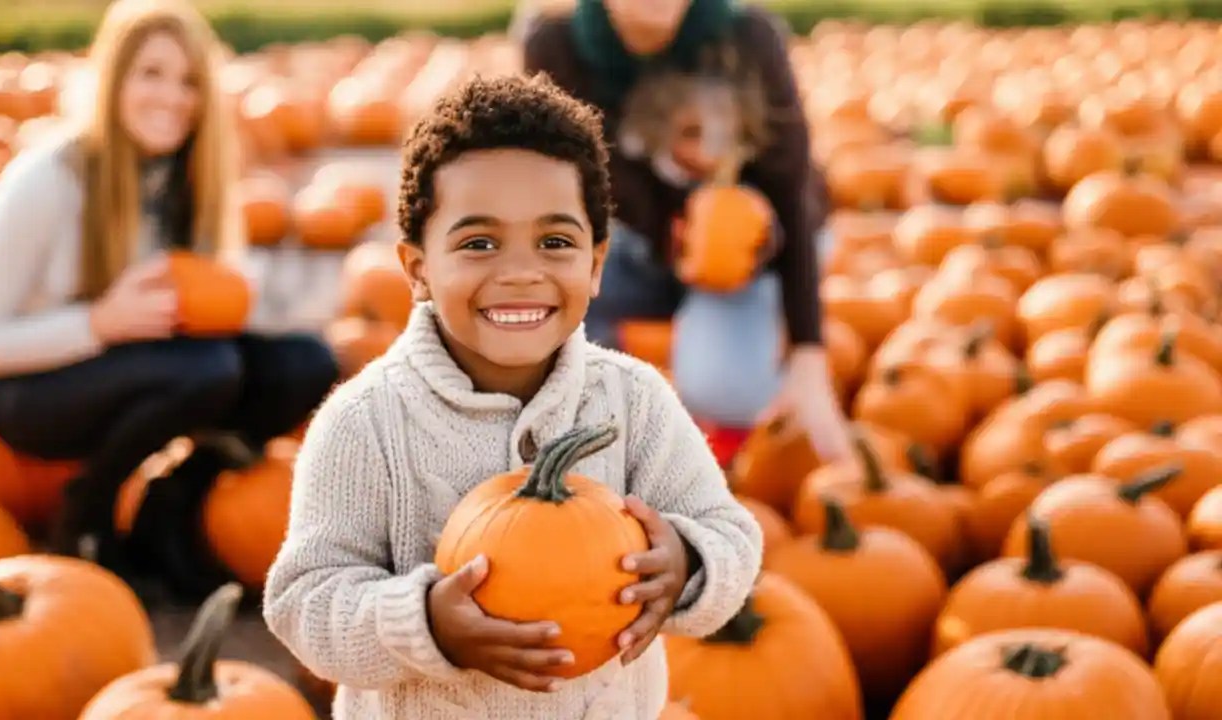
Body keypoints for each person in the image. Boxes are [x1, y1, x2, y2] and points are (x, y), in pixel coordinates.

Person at [263, 74, 761, 719]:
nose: (521, 272)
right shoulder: (365, 423)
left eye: (555, 242)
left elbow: (731, 533)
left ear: (596, 262)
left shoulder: (634, 401)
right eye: (479, 243)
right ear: (417, 268)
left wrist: (688, 562)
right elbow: (305, 600)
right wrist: (423, 623)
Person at [0, 0, 340, 601]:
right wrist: (100, 322)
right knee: (207, 370)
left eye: (188, 81)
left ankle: (170, 508)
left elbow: (211, 308)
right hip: (24, 390)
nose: (171, 97)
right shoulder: (48, 178)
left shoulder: (189, 180)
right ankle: (86, 517)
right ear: (113, 79)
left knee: (305, 364)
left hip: (154, 366)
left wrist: (235, 295)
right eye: (151, 74)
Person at [521, 0, 850, 462]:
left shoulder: (748, 38)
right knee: (537, 282)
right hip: (640, 246)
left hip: (749, 256)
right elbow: (581, 181)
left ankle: (755, 330)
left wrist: (808, 359)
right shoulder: (556, 46)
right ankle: (607, 402)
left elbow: (793, 199)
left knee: (727, 392)